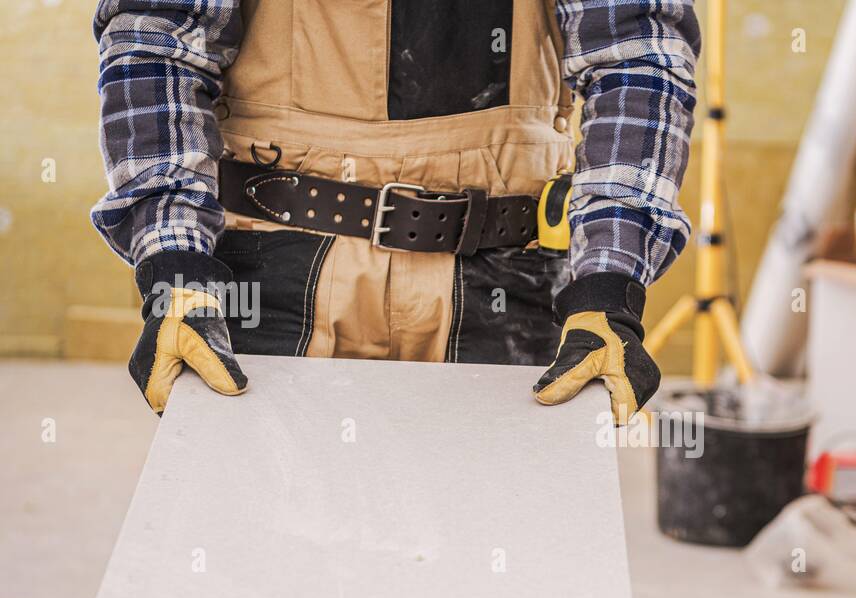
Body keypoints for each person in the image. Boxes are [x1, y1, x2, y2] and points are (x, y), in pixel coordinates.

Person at [91, 0, 699, 422]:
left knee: (502, 572)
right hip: (275, 274)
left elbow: (636, 57)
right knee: (259, 572)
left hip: (507, 279)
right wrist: (176, 267)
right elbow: (158, 45)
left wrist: (607, 286)